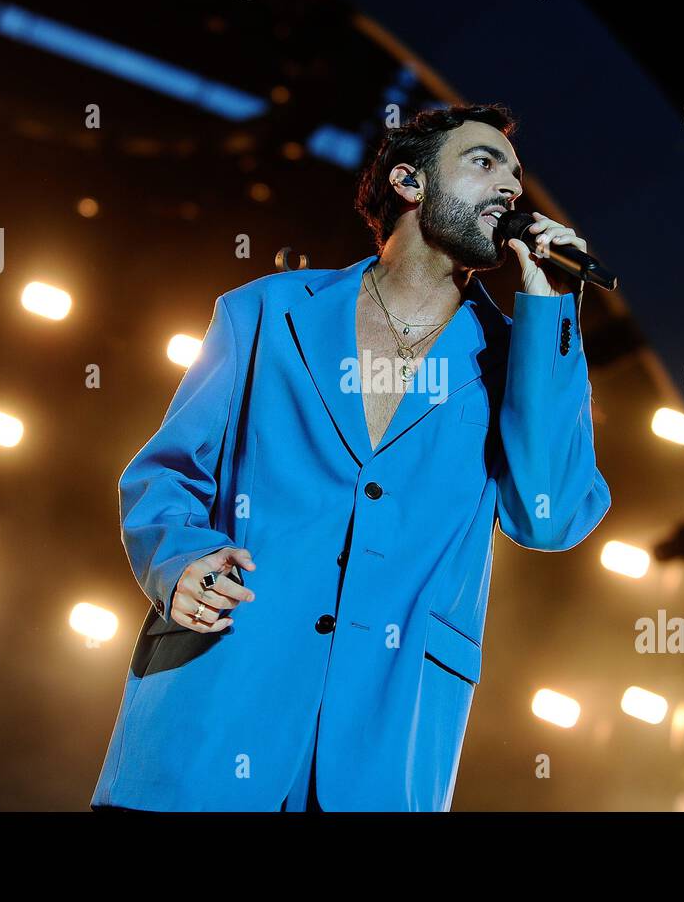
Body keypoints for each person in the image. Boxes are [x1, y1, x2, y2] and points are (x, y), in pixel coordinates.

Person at [91, 103, 611, 812]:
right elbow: (165, 473)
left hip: (382, 758)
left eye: (517, 177)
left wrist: (549, 311)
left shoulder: (510, 361)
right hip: (210, 723)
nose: (512, 188)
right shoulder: (265, 314)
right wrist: (177, 557)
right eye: (485, 162)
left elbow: (547, 518)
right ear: (409, 180)